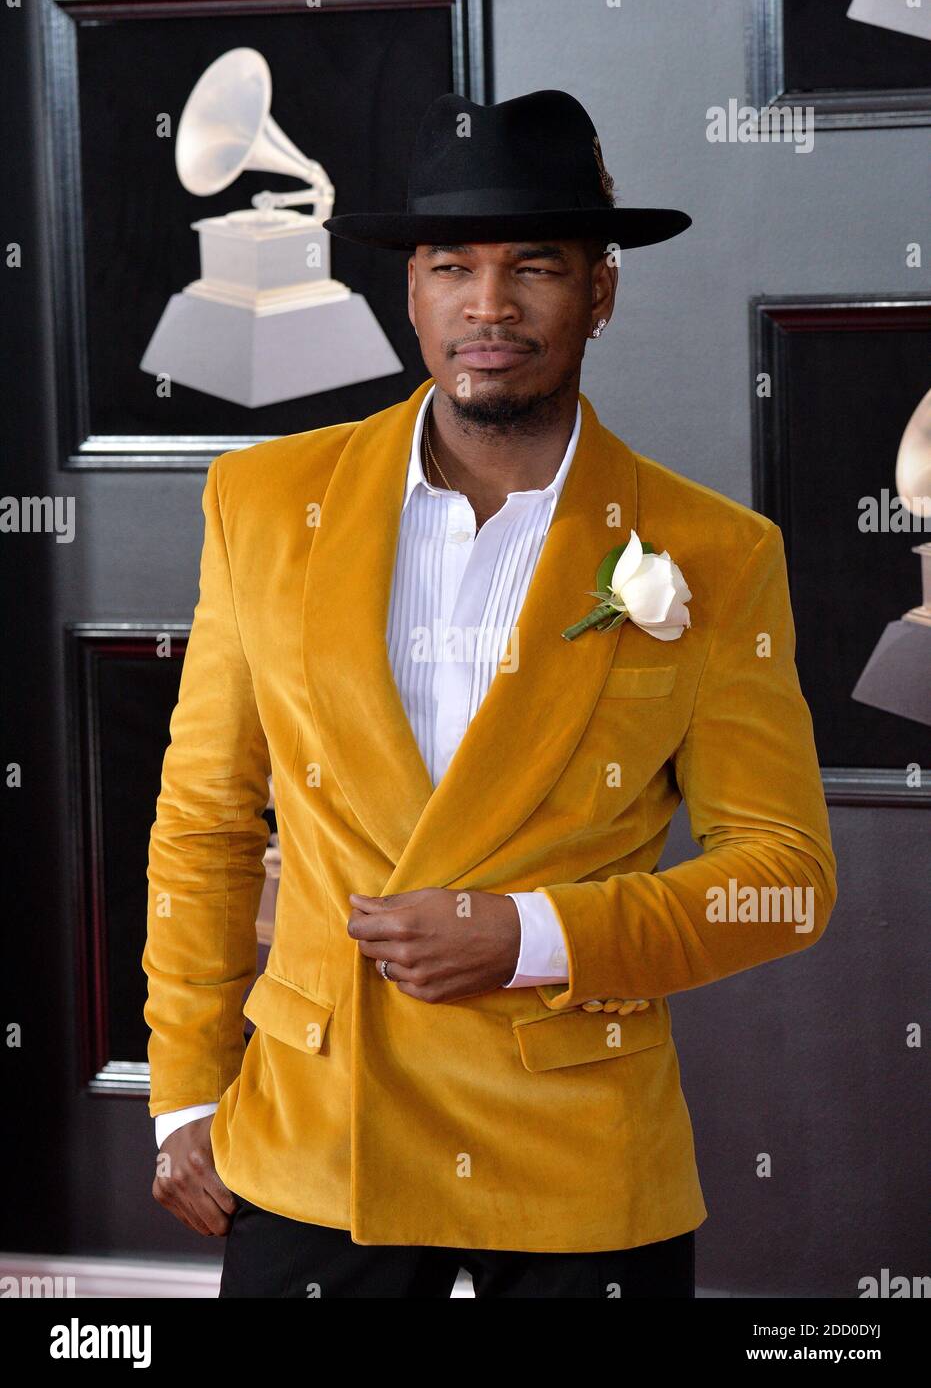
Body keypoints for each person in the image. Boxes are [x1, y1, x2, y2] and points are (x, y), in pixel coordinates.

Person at [143, 89, 837, 1298]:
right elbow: (205, 818)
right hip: (317, 1131)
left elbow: (784, 880)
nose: (490, 306)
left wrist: (531, 935)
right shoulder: (262, 502)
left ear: (601, 293)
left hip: (575, 1154)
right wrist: (187, 1089)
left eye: (535, 267)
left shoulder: (713, 553)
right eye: (450, 265)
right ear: (407, 291)